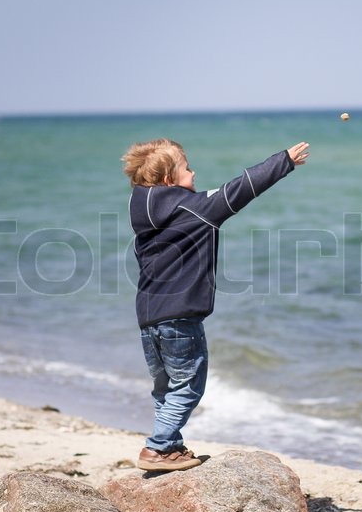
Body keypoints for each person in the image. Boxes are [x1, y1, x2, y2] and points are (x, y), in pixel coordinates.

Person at [122, 138, 310, 471]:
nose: (193, 172)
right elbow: (239, 189)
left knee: (166, 387)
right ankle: (158, 447)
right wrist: (284, 161)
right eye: (187, 167)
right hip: (181, 318)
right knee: (189, 386)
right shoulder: (195, 208)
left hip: (148, 319)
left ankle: (171, 445)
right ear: (169, 179)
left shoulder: (143, 219)